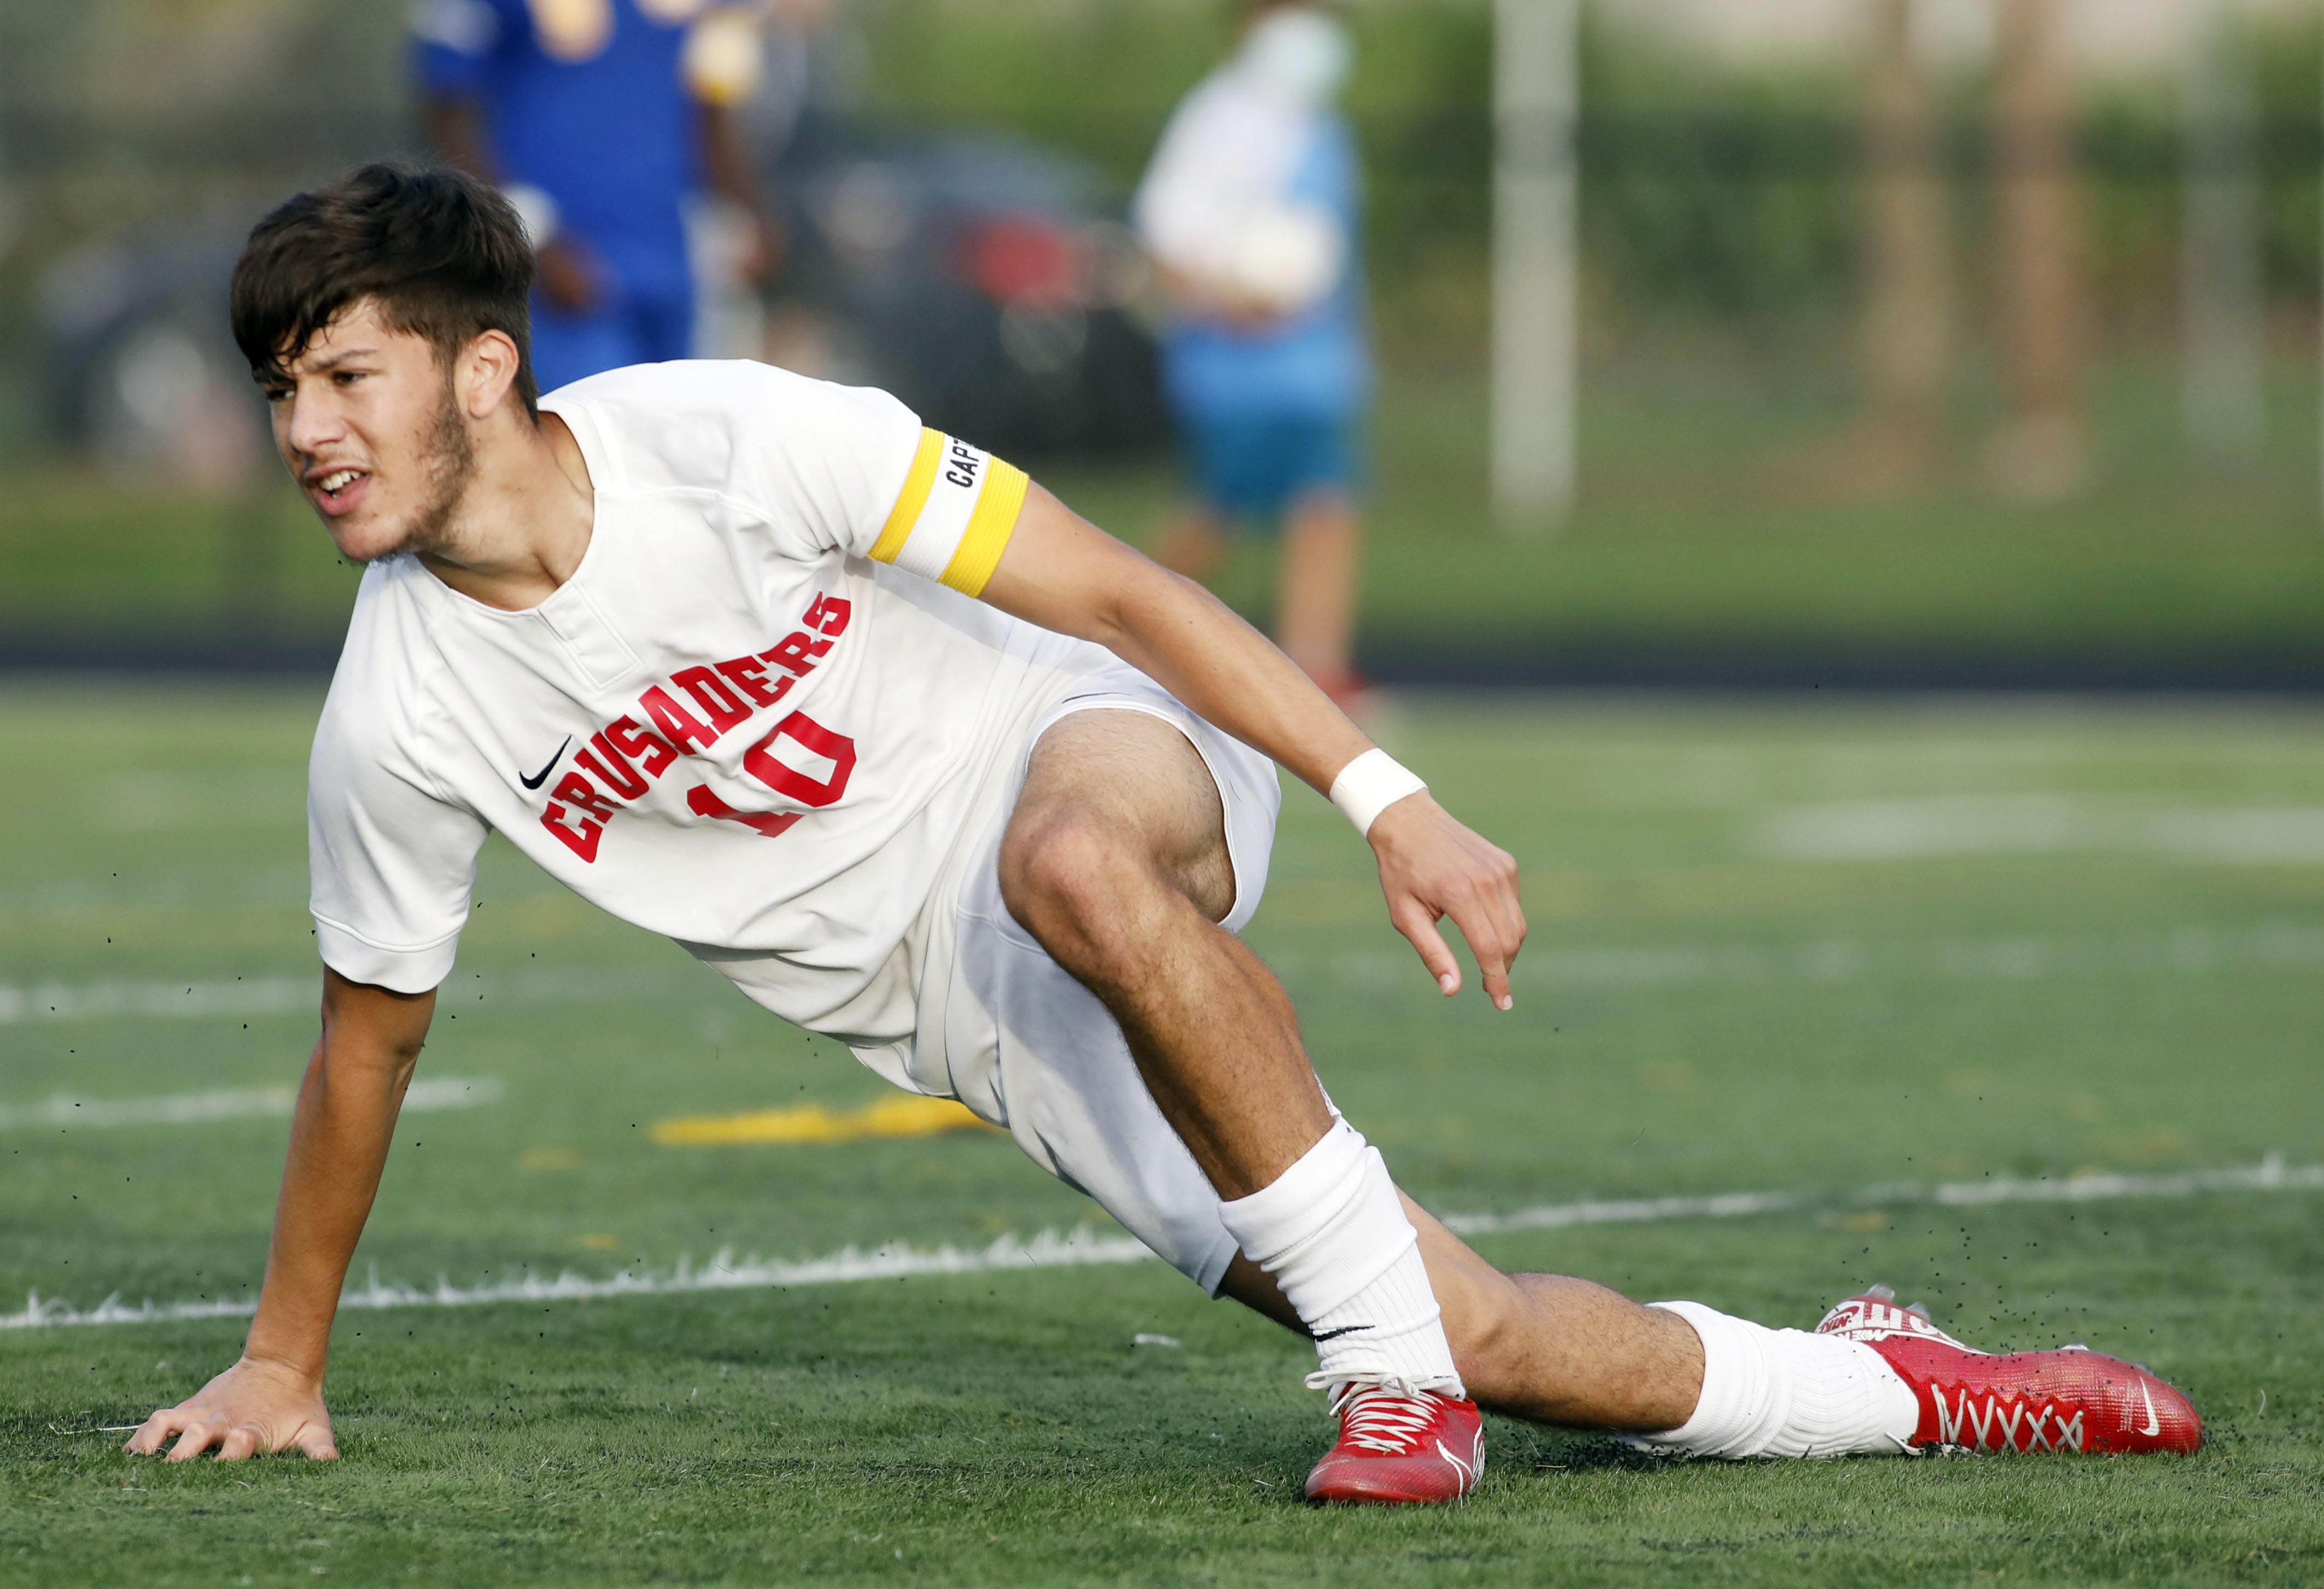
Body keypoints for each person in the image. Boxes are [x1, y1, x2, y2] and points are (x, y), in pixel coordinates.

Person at [126, 165, 2200, 1501]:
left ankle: (1389, 1390)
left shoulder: (732, 437)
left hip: (1096, 753)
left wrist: (1382, 798)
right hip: (979, 1010)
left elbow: (1126, 595)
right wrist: (282, 1358)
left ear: (482, 370)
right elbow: (366, 1045)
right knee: (1474, 1328)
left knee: (1071, 863)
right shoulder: (395, 714)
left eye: (342, 375)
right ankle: (1908, 1386)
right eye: (281, 388)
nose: (301, 429)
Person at [1134, 1, 1371, 707]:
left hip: (1314, 361)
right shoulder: (1220, 119)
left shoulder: (1319, 122)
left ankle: (1316, 665)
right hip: (1237, 363)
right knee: (1217, 509)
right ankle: (1114, 627)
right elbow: (1167, 237)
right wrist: (1228, 300)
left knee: (1325, 503)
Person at [412, 0, 779, 391]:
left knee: (674, 438)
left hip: (674, 268)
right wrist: (526, 234)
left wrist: (748, 211)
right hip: (560, 275)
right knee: (584, 435)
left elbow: (711, 106)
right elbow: (448, 117)